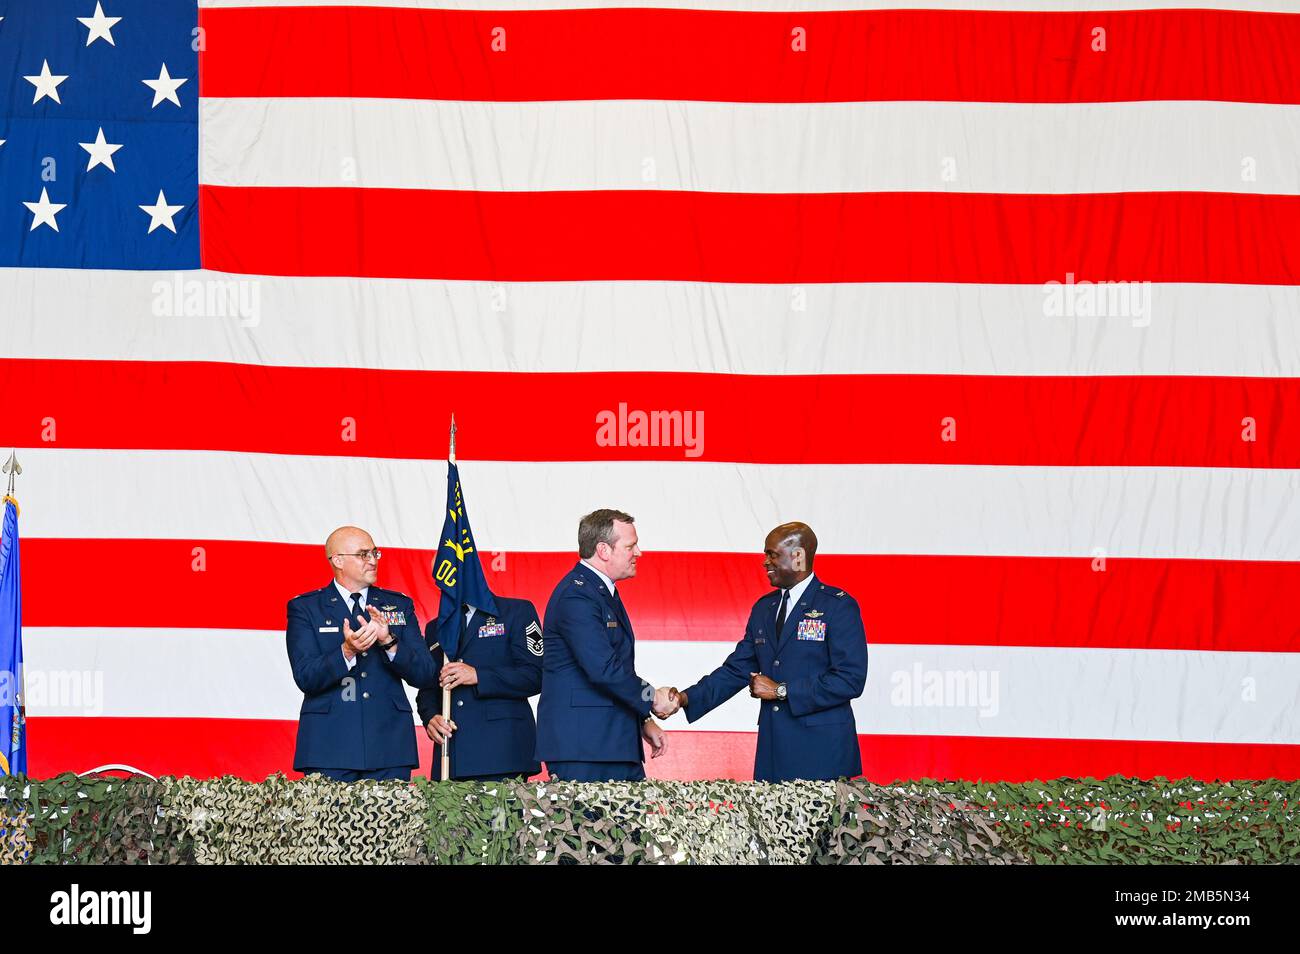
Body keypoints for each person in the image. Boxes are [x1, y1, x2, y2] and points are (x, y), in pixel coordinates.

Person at [669, 522, 867, 782]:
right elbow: (736, 669)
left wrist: (781, 691)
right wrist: (684, 698)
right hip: (774, 752)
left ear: (798, 557)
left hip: (823, 754)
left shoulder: (838, 606)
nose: (765, 562)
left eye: (772, 554)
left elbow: (849, 680)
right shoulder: (765, 608)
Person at [534, 509, 677, 782]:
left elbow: (613, 669)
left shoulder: (598, 590)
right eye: (630, 545)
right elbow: (604, 669)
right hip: (584, 748)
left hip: (610, 744)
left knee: (629, 826)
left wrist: (643, 719)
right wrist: (652, 697)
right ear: (603, 550)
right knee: (584, 826)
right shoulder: (576, 595)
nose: (639, 553)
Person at [286, 526, 436, 781]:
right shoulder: (306, 607)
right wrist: (346, 651)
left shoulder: (398, 604)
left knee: (391, 821)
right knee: (331, 822)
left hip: (389, 744)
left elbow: (425, 674)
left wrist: (389, 642)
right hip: (329, 745)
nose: (372, 560)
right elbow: (306, 677)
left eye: (375, 553)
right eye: (363, 554)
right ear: (338, 560)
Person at [417, 584, 544, 782]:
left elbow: (536, 675)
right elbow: (428, 686)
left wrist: (479, 676)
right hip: (451, 757)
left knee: (504, 814)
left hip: (502, 754)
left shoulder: (516, 611)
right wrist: (430, 716)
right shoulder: (436, 627)